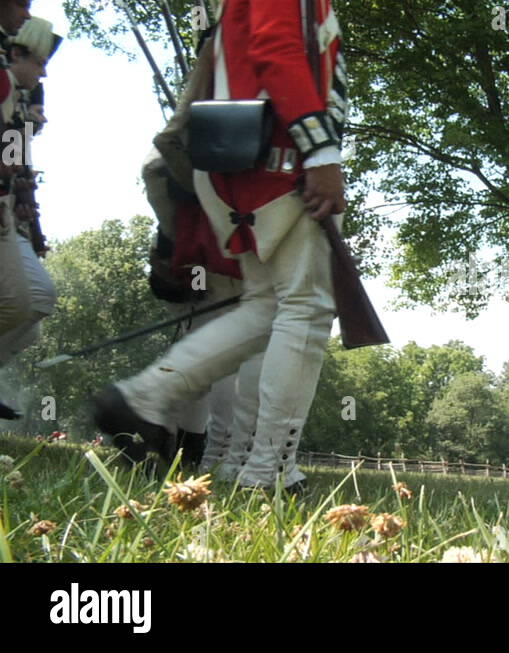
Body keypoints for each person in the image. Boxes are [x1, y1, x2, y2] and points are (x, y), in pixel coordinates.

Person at [96, 0, 348, 492]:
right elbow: (276, 49)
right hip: (276, 156)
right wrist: (320, 149)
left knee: (266, 306)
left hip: (243, 157)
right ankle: (267, 471)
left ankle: (144, 398)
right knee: (306, 308)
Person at [0, 13, 58, 421]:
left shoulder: (17, 104)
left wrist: (32, 225)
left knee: (34, 305)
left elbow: (15, 171)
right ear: (17, 52)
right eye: (38, 63)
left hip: (8, 211)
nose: (42, 74)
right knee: (26, 299)